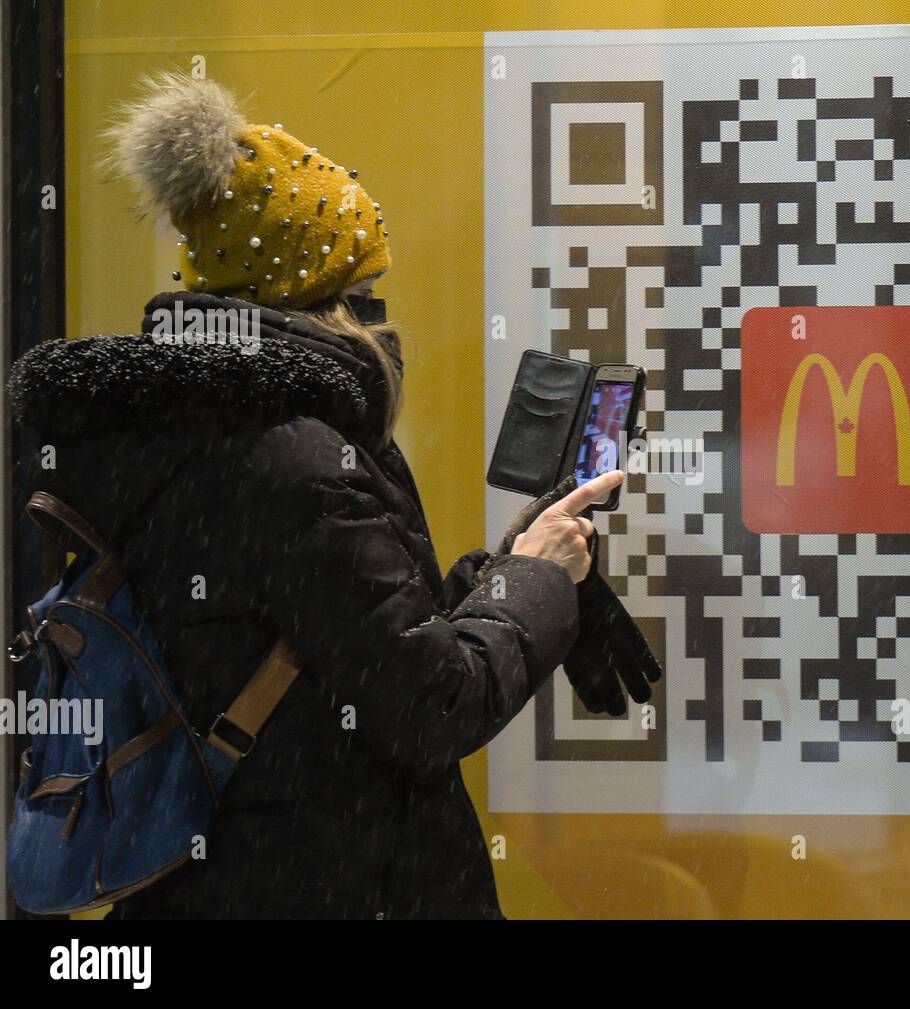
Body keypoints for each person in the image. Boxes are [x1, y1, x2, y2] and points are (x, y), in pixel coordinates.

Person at [6, 70, 636, 919]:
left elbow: (348, 652)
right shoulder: (292, 461)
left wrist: (518, 567)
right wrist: (538, 584)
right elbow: (427, 704)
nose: (380, 321)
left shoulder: (188, 429)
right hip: (328, 882)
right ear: (317, 300)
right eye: (361, 291)